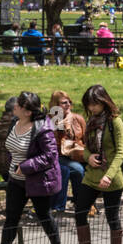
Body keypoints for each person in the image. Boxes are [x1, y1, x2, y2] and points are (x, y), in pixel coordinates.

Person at [0, 92, 67, 244]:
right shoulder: (15, 122)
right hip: (16, 180)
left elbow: (51, 156)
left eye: (19, 105)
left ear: (27, 111)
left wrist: (27, 166)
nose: (14, 106)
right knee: (11, 217)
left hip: (37, 180)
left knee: (44, 216)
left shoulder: (42, 128)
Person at [70, 84, 123, 244]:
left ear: (104, 101)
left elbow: (120, 152)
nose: (92, 108)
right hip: (92, 175)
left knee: (112, 217)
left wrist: (109, 176)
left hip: (111, 176)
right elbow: (85, 148)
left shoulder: (115, 122)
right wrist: (89, 157)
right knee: (80, 212)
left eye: (95, 104)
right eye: (89, 105)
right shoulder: (91, 121)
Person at [49, 90, 87, 218]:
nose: (68, 105)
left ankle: (81, 204)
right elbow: (51, 144)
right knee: (70, 169)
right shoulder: (51, 120)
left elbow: (86, 139)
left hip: (75, 155)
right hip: (56, 157)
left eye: (69, 102)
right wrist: (62, 124)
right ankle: (59, 207)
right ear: (55, 105)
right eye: (64, 103)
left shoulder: (78, 119)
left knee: (78, 170)